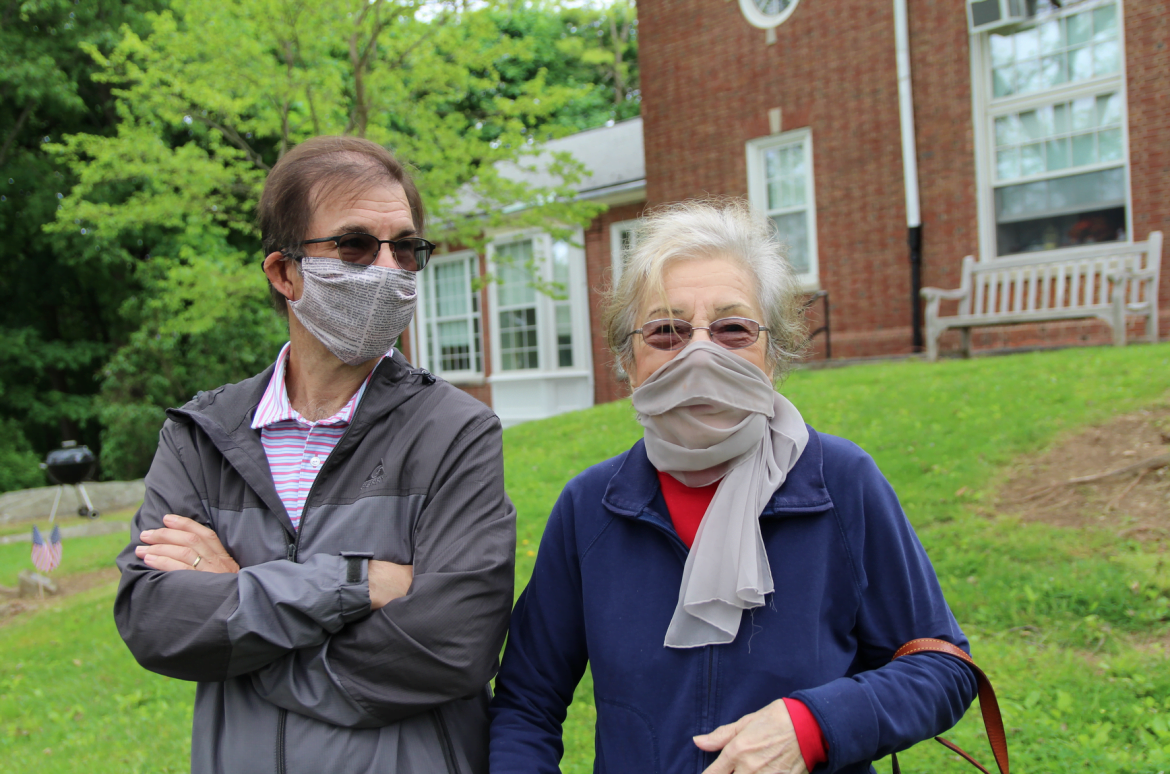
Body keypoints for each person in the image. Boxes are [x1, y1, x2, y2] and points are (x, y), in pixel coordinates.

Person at [489, 200, 979, 774]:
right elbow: (526, 702)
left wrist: (815, 725)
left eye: (733, 329)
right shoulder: (590, 508)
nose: (700, 353)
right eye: (667, 331)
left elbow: (942, 667)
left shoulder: (842, 483)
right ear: (628, 357)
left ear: (773, 353)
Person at [114, 136, 516, 774]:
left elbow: (452, 645)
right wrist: (354, 582)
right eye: (355, 244)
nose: (388, 269)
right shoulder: (199, 435)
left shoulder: (456, 432)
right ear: (284, 272)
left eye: (406, 248)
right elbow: (158, 622)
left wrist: (245, 610)